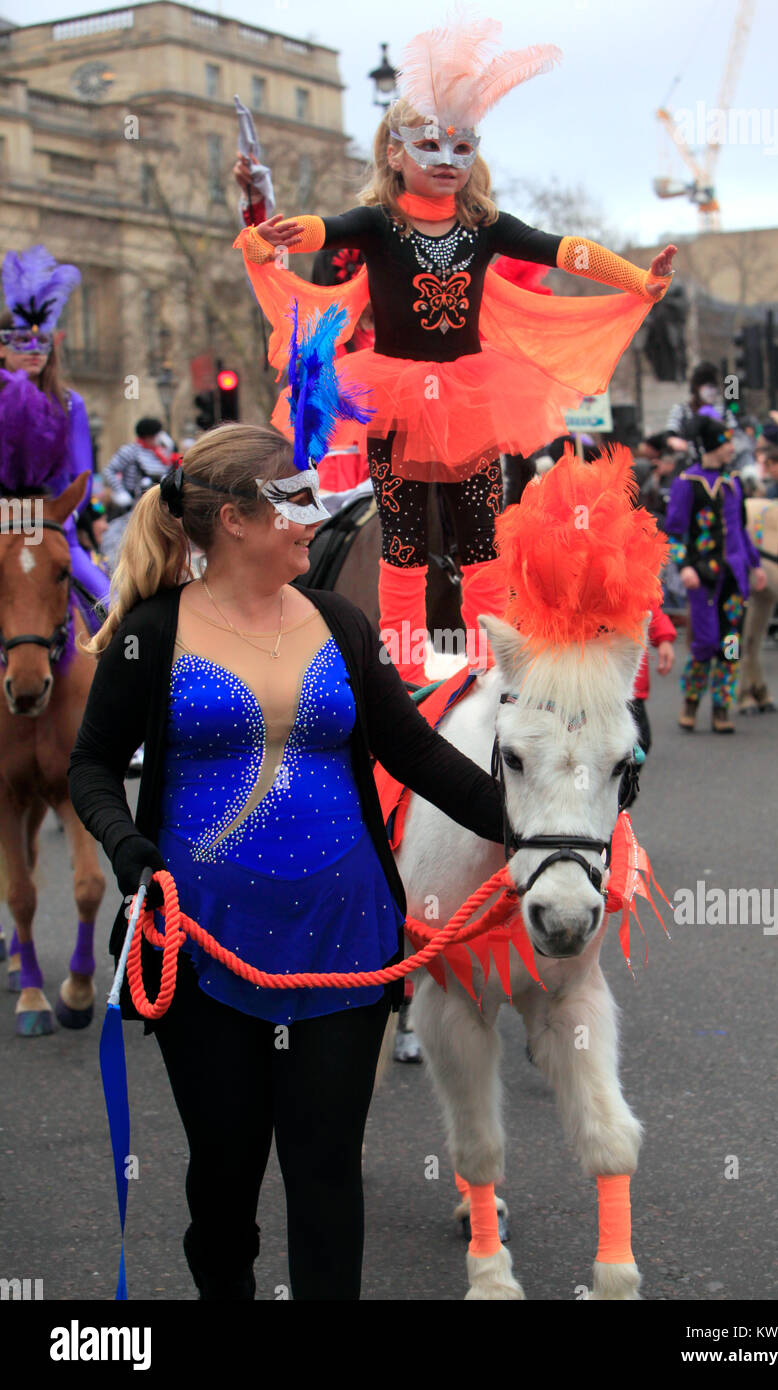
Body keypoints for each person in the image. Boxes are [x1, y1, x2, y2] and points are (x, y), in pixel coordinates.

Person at [68, 419, 505, 1301]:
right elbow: (91, 765)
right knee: (223, 1182)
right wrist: (129, 851)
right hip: (202, 946)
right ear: (235, 519)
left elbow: (414, 753)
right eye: (296, 500)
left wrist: (531, 828)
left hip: (345, 942)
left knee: (327, 1174)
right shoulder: (151, 634)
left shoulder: (340, 622)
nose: (316, 516)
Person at [233, 15, 675, 684]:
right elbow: (320, 231)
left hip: (473, 398)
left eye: (462, 146)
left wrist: (639, 278)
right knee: (403, 541)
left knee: (482, 541)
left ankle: (487, 672)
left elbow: (564, 250)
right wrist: (273, 239)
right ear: (394, 153)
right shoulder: (377, 224)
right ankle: (402, 675)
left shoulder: (486, 224)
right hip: (395, 398)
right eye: (431, 145)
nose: (446, 160)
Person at [0, 245, 110, 630]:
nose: (33, 350)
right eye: (19, 341)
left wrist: (56, 519)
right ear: (0, 346)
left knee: (112, 610)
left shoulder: (70, 404)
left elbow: (81, 479)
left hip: (54, 527)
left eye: (42, 341)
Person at [664, 415, 766, 733]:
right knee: (705, 642)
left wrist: (756, 565)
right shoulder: (686, 483)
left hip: (734, 577)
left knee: (731, 642)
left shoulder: (733, 482)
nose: (732, 448)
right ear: (713, 446)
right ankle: (692, 701)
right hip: (703, 577)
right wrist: (685, 567)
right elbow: (674, 533)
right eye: (727, 442)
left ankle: (722, 706)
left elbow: (740, 530)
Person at [629, 604, 675, 756]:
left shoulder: (632, 582)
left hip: (632, 688)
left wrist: (664, 639)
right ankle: (692, 702)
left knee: (640, 743)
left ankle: (721, 707)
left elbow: (649, 607)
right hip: (596, 685)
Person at [103, 417, 173, 516]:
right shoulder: (130, 451)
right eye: (157, 434)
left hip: (158, 505)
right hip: (135, 505)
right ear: (149, 436)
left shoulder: (161, 453)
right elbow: (109, 470)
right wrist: (120, 491)